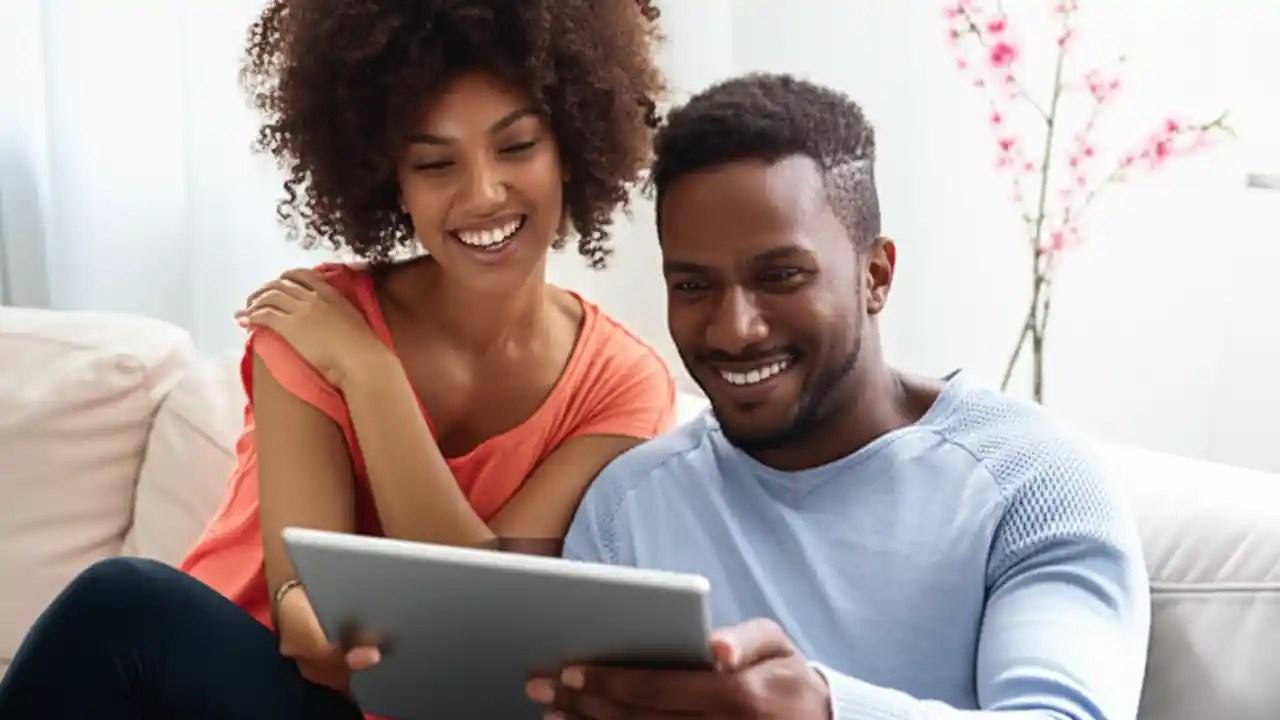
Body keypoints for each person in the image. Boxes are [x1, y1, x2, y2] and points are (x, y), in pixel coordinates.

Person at [0, 1, 669, 718]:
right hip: (213, 681)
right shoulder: (314, 324)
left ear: (571, 147)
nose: (482, 194)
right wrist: (305, 614)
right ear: (393, 184)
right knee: (121, 602)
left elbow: (481, 609)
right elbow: (298, 607)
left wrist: (373, 377)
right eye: (435, 163)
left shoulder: (619, 385)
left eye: (516, 147)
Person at [527, 73, 1152, 719]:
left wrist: (826, 711)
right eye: (692, 286)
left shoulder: (1034, 481)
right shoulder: (628, 507)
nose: (734, 329)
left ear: (874, 275)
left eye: (780, 277)